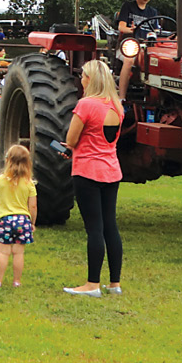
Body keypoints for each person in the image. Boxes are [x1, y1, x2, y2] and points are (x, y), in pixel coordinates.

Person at [62, 60, 124, 297]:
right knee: (111, 227)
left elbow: (72, 138)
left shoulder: (85, 104)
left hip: (87, 170)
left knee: (94, 229)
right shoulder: (117, 106)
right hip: (111, 170)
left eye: (84, 76)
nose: (81, 80)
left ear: (91, 80)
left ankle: (92, 284)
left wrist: (67, 147)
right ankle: (115, 283)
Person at [0, 144, 37, 287]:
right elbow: (32, 206)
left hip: (5, 220)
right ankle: (17, 281)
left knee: (4, 252)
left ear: (7, 160)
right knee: (18, 253)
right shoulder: (29, 183)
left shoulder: (1, 180)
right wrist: (32, 222)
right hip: (23, 221)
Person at [117, 0, 159, 100]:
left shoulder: (152, 12)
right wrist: (131, 30)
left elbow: (156, 30)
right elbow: (121, 27)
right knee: (129, 60)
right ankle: (122, 96)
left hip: (146, 47)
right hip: (130, 45)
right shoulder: (128, 6)